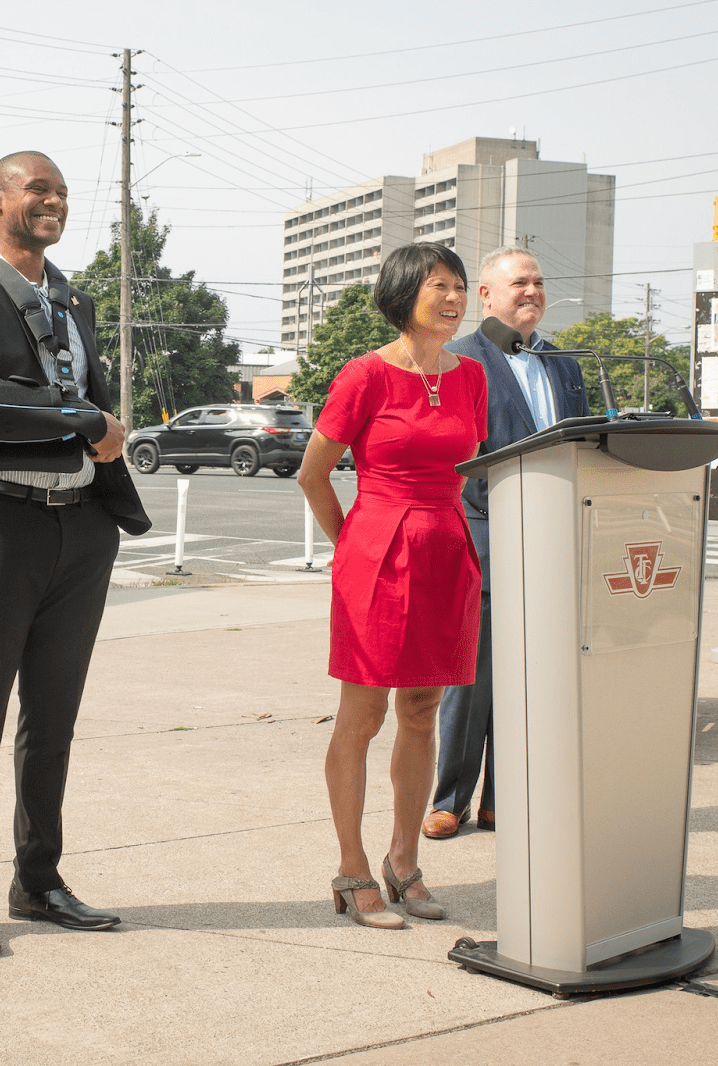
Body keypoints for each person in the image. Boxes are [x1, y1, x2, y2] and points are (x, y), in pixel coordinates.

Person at [0, 151, 152, 954]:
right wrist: (77, 420)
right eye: (37, 189)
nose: (53, 202)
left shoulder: (73, 297)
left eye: (62, 193)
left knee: (53, 721)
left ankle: (38, 880)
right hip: (0, 524)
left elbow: (93, 397)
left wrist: (91, 422)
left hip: (82, 526)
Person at [297, 242, 489, 929]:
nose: (453, 297)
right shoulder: (364, 375)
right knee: (365, 714)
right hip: (376, 551)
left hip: (445, 550)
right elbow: (313, 474)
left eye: (460, 286)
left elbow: (464, 465)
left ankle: (404, 861)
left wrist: (436, 523)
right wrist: (355, 541)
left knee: (423, 709)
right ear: (405, 292)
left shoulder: (470, 377)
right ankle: (351, 869)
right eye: (439, 284)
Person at [423, 248, 590, 842]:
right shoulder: (456, 360)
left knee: (532, 679)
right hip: (484, 539)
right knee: (472, 679)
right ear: (486, 296)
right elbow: (450, 456)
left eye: (540, 282)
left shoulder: (564, 363)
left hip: (554, 542)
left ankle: (504, 798)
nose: (533, 291)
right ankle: (451, 798)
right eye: (520, 282)